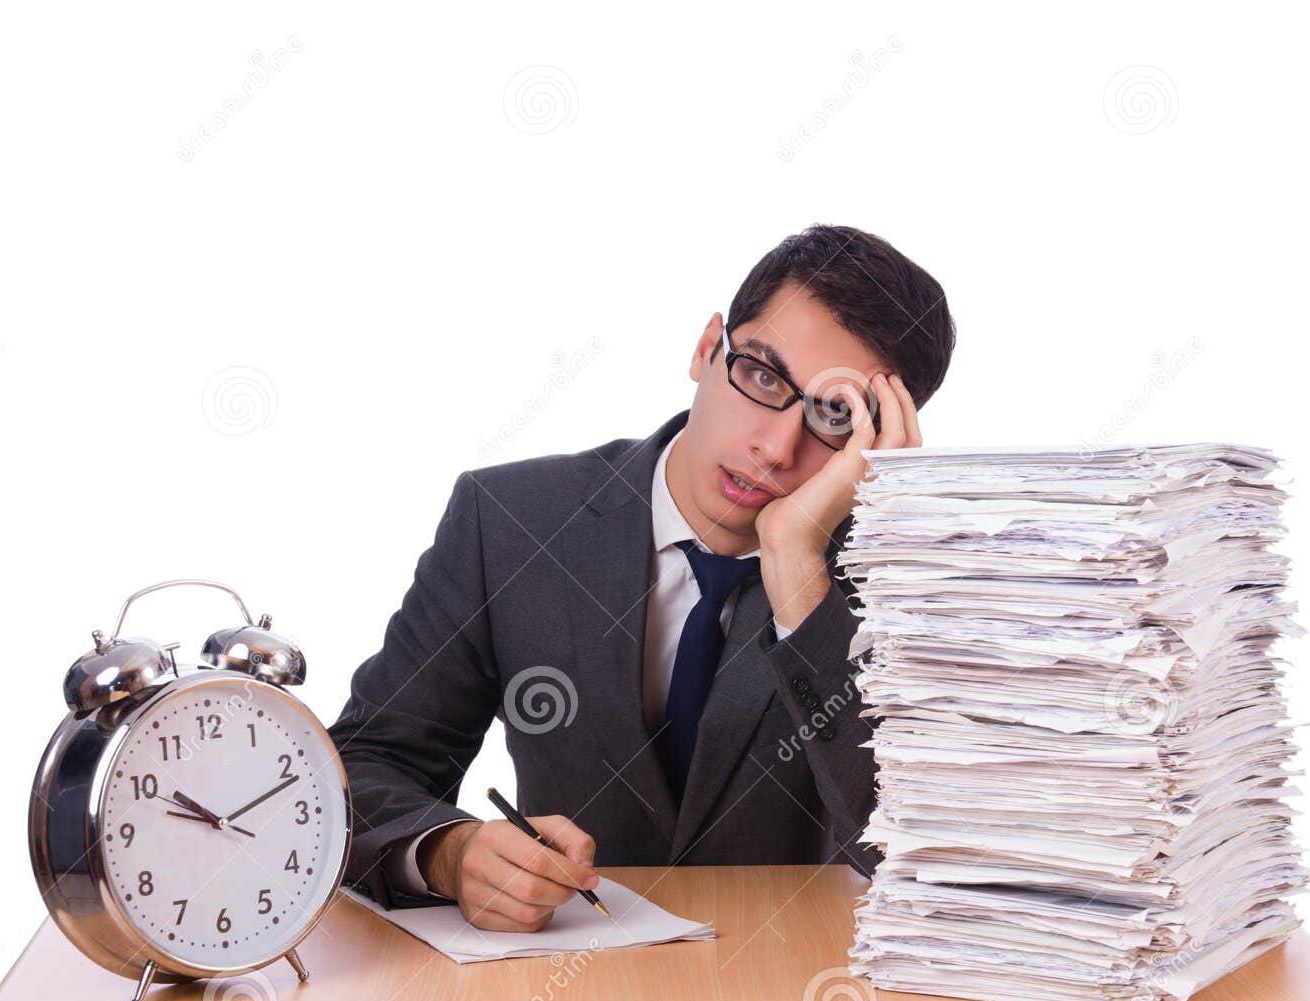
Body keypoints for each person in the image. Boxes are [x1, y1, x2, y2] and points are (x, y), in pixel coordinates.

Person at [328, 224, 955, 931]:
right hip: (564, 997)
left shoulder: (908, 581)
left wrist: (799, 572)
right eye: (762, 375)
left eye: (834, 418)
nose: (776, 448)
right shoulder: (509, 523)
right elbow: (361, 766)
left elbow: (923, 854)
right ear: (705, 347)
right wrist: (447, 851)